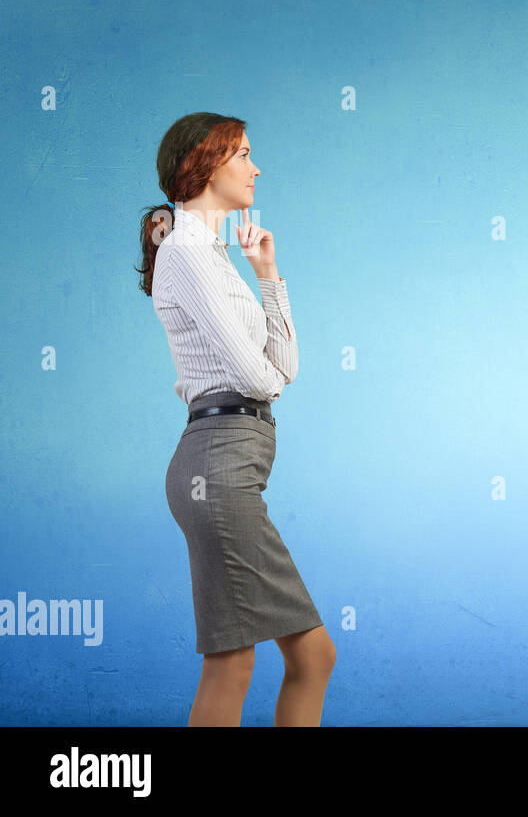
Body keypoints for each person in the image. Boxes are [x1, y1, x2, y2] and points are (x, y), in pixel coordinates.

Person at [136, 112, 335, 726]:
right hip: (216, 464)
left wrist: (267, 274)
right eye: (244, 153)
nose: (256, 167)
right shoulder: (185, 254)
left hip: (232, 462)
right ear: (204, 161)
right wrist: (268, 377)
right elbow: (257, 377)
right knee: (242, 661)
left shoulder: (216, 258)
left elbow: (287, 365)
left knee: (284, 657)